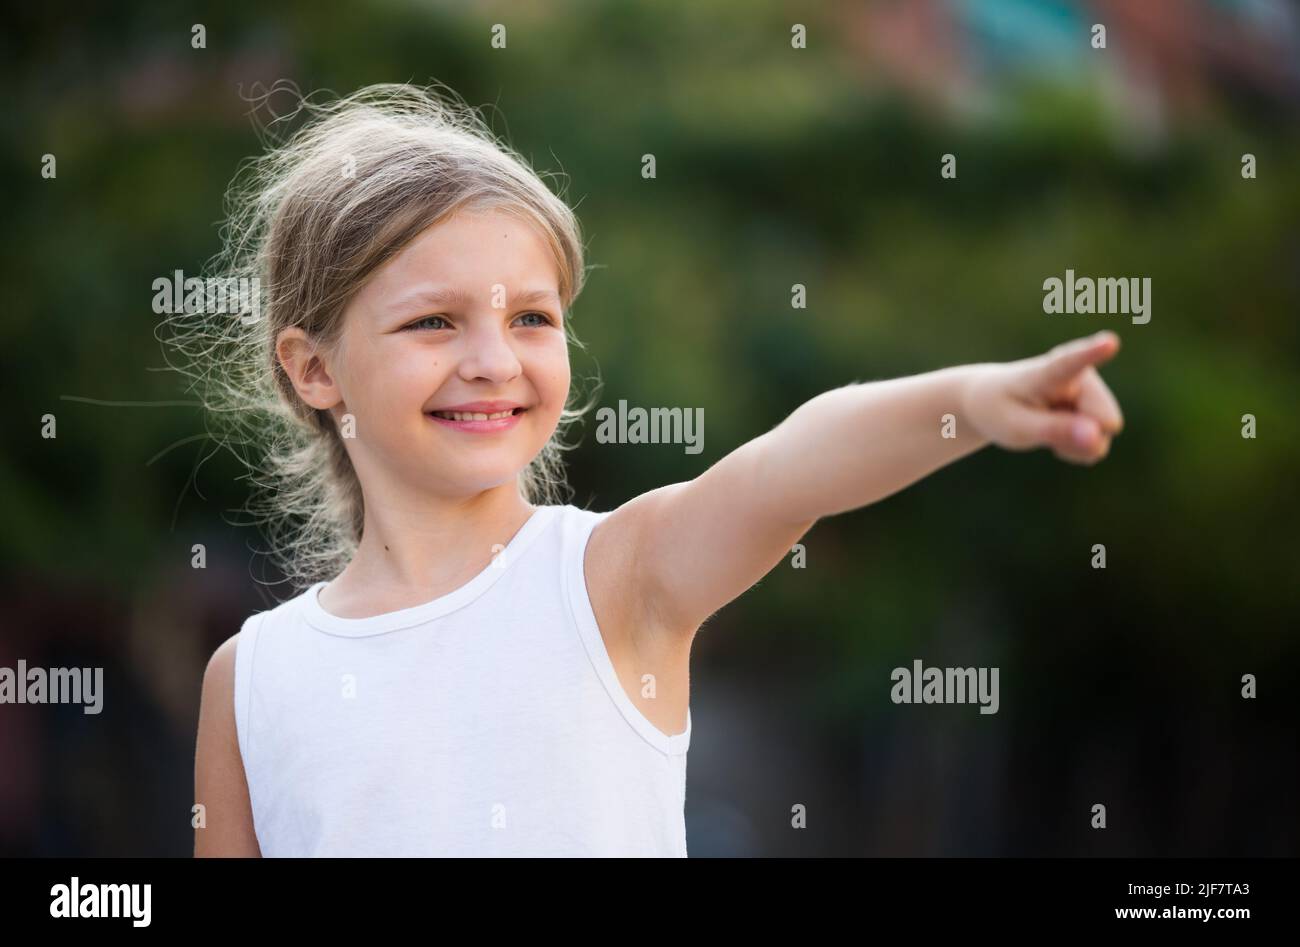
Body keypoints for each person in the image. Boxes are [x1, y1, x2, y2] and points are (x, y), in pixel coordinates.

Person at [190, 83, 1123, 857]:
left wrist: (971, 399)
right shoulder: (252, 678)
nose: (493, 360)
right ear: (313, 367)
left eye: (531, 318)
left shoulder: (611, 578)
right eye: (433, 321)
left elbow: (794, 466)